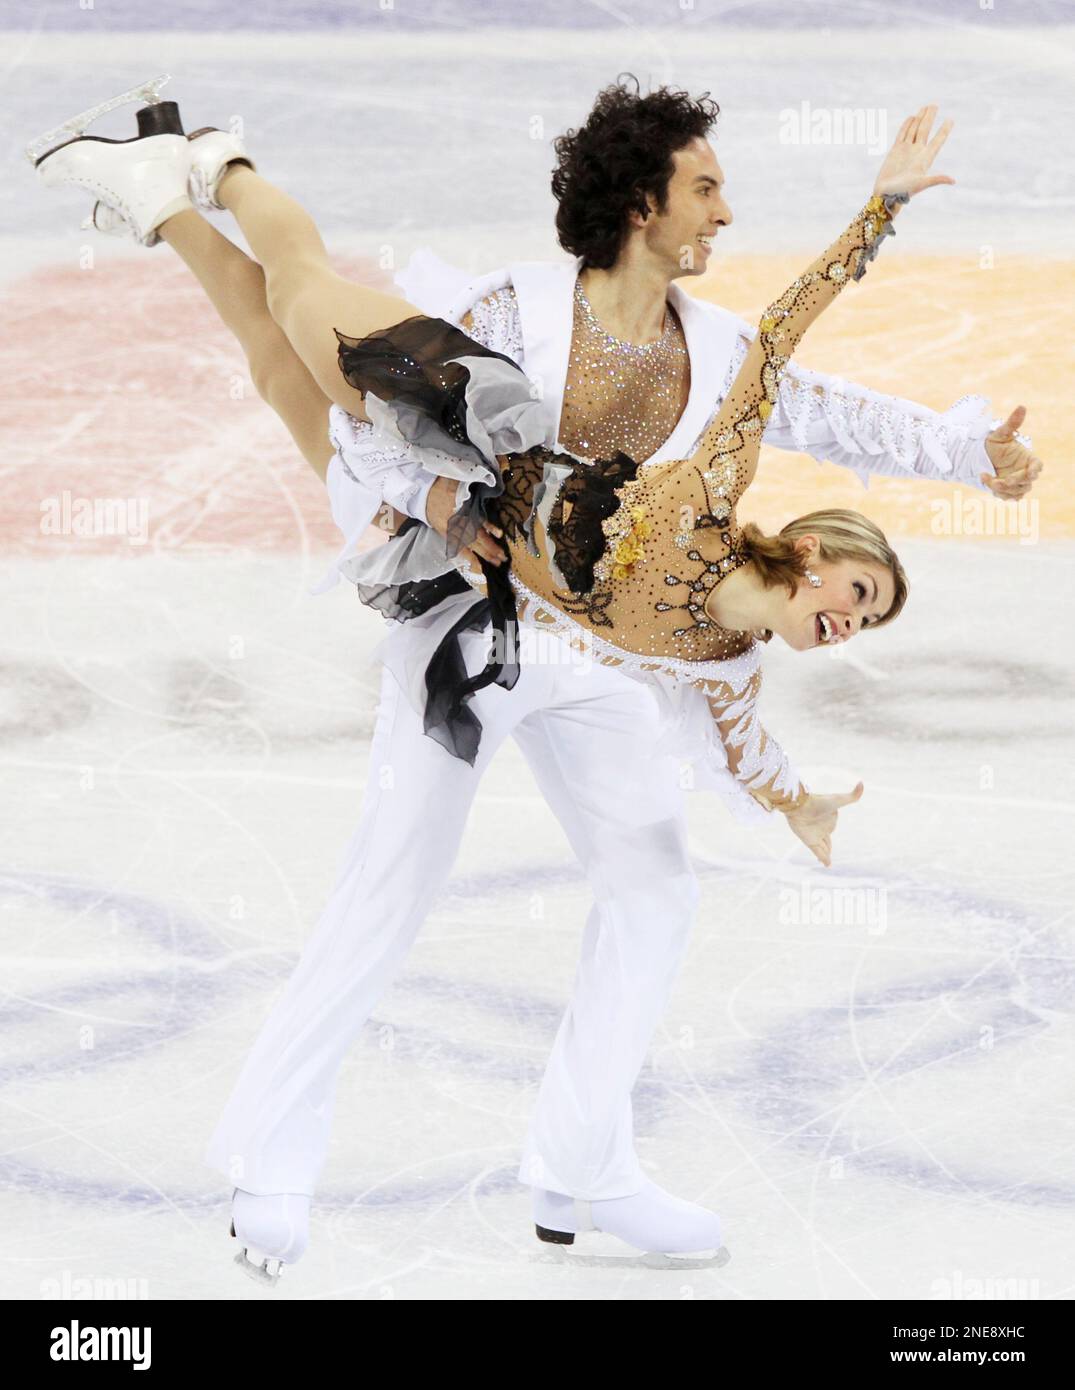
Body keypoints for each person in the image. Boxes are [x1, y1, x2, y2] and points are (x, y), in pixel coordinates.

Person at [30, 78, 1042, 1282]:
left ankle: (582, 1168)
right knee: (288, 332)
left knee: (654, 886)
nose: (724, 210)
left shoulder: (720, 363)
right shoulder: (509, 312)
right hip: (468, 617)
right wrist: (445, 506)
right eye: (704, 188)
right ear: (639, 202)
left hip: (599, 659)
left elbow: (832, 406)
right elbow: (373, 426)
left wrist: (971, 453)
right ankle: (269, 1161)